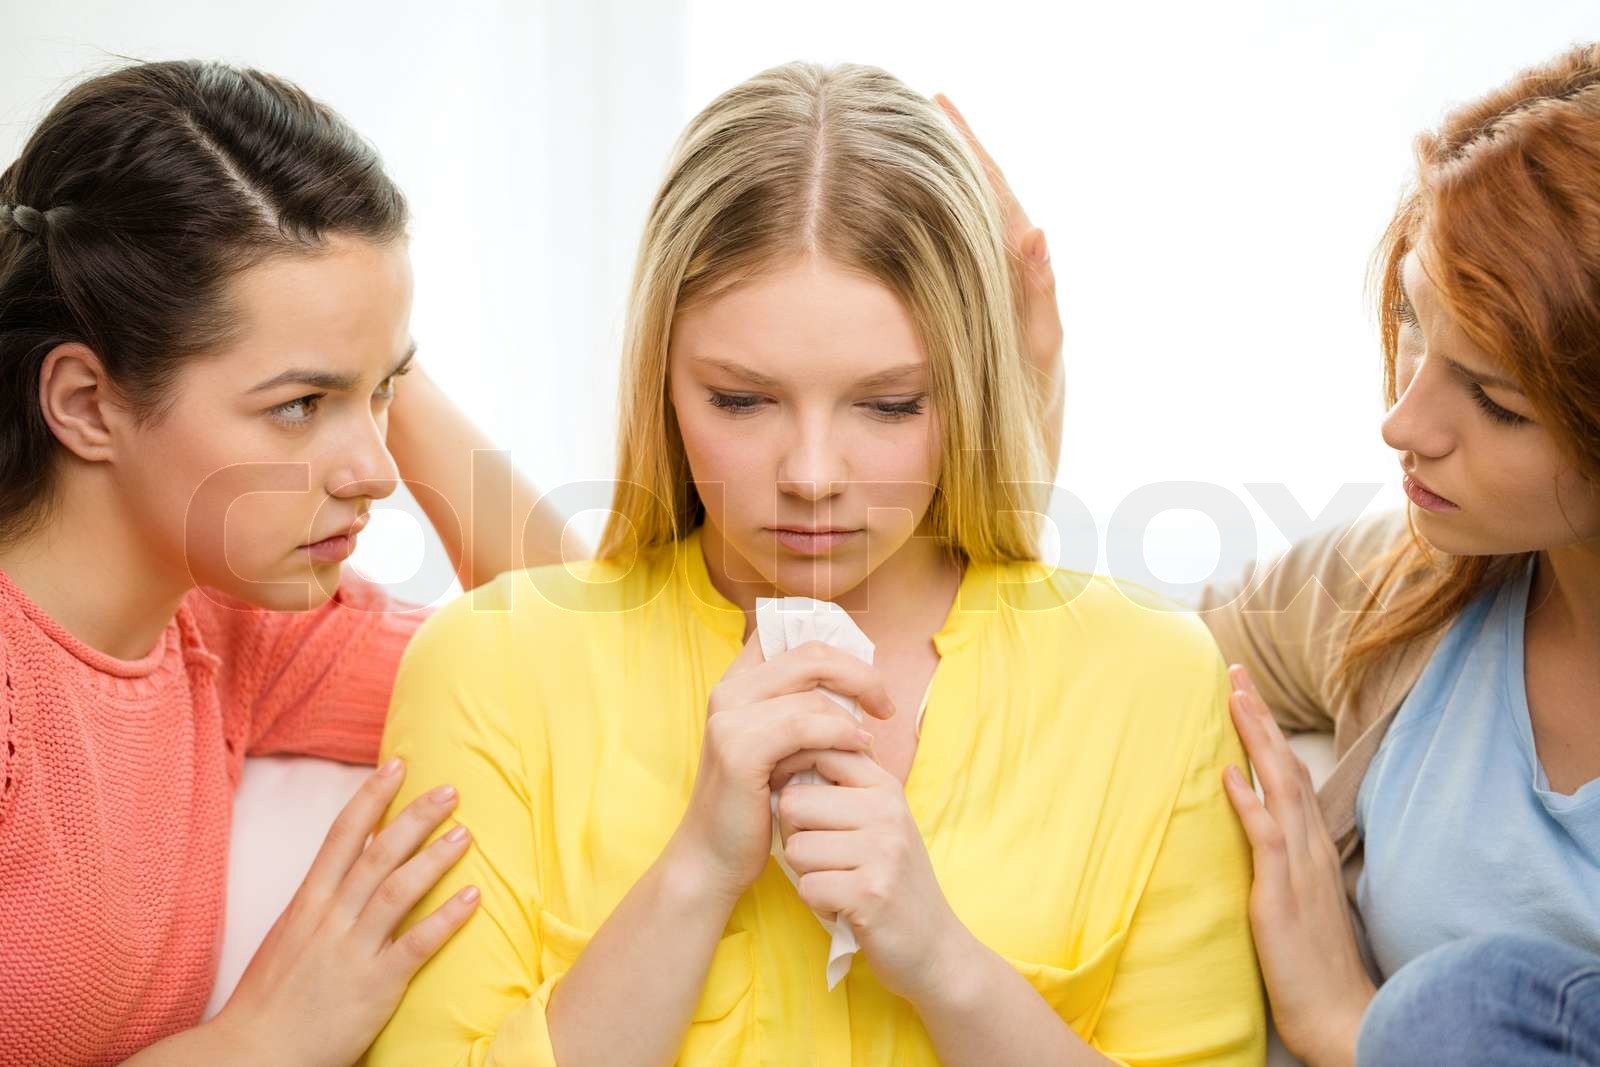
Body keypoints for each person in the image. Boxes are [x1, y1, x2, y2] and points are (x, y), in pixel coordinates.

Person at [367, 61, 1264, 1066]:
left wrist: (945, 963)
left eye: (889, 405)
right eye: (740, 400)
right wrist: (695, 871)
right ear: (660, 373)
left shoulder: (1147, 679)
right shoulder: (490, 667)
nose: (810, 476)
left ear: (967, 384)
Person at [0, 61, 570, 1067]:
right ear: (87, 403)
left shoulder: (228, 626)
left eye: (384, 391)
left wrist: (352, 334)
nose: (379, 472)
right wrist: (264, 1041)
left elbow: (578, 651)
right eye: (297, 406)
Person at [1201, 41, 1600, 1067]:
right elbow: (1123, 652)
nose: (1401, 420)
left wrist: (1345, 1025)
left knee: (1455, 1011)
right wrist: (1023, 380)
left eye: (1499, 402)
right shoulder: (1401, 589)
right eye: (1414, 327)